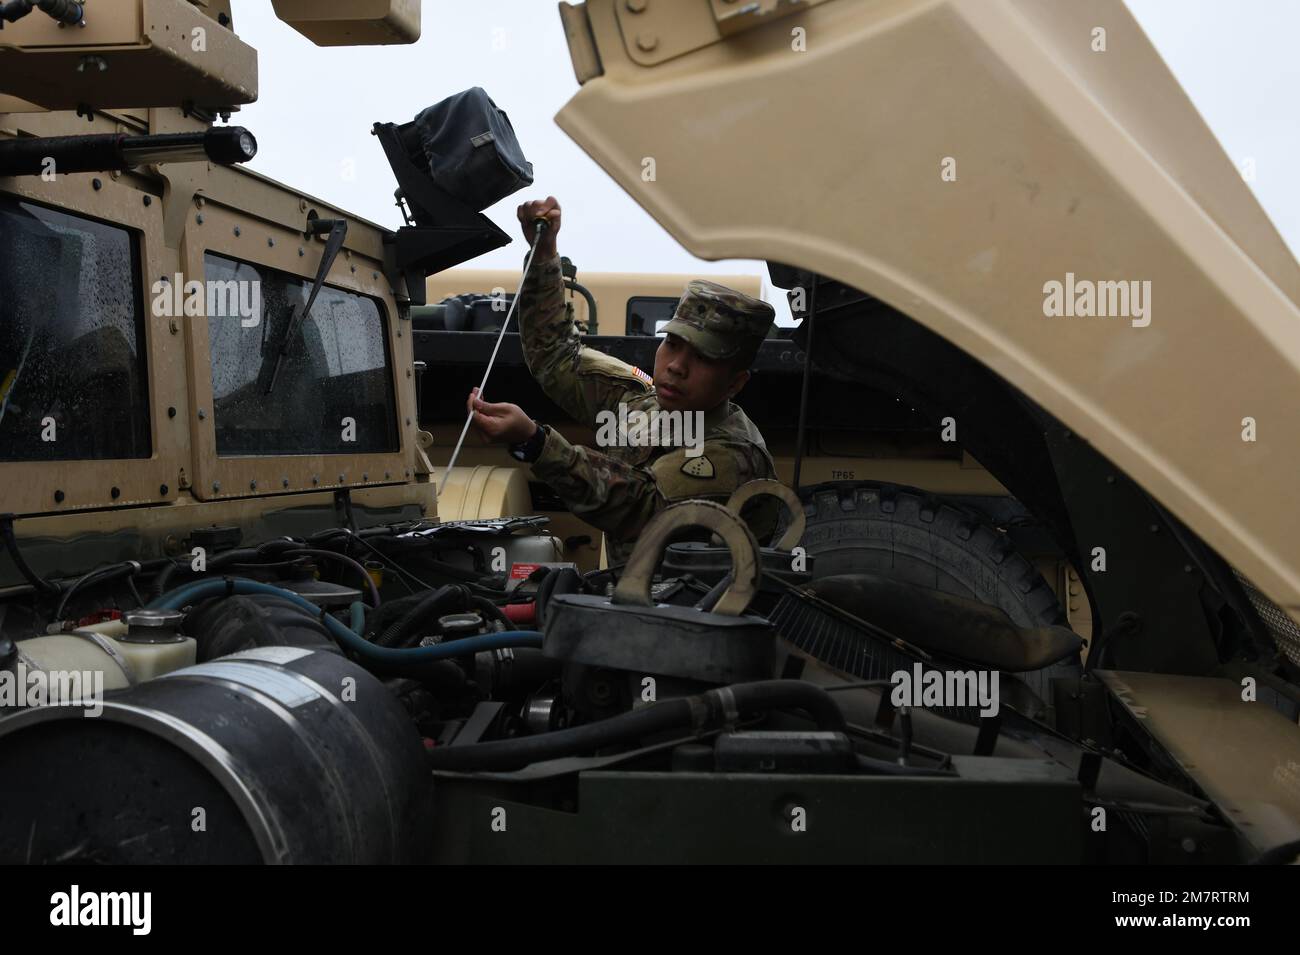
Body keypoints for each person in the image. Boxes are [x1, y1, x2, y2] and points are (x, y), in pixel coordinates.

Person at [466, 196, 777, 561]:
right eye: (673, 344)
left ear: (735, 383)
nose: (676, 365)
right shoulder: (641, 402)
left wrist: (535, 443)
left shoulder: (733, 454)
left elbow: (639, 507)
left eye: (702, 358)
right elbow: (557, 356)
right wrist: (544, 253)